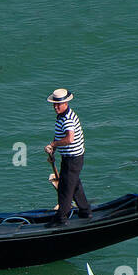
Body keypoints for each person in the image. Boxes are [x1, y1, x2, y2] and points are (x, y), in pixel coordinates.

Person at [45, 89, 91, 226]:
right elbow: (59, 135)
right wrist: (53, 150)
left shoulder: (68, 119)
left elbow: (69, 138)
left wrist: (53, 144)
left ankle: (61, 218)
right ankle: (85, 211)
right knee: (74, 185)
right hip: (70, 158)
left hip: (73, 159)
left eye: (58, 104)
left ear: (66, 103)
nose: (55, 107)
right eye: (54, 104)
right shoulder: (62, 116)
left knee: (65, 189)